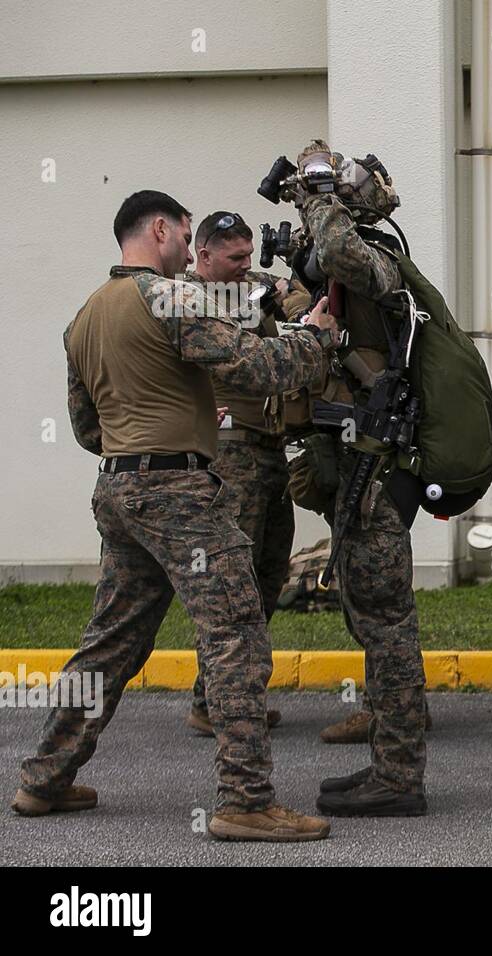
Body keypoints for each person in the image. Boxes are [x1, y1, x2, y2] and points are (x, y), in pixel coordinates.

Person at [13, 190, 337, 841]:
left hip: (119, 490)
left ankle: (44, 778)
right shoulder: (170, 298)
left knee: (111, 641)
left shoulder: (85, 317)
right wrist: (315, 338)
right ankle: (244, 801)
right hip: (180, 494)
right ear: (157, 229)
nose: (190, 251)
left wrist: (140, 436)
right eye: (185, 236)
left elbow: (86, 429)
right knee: (236, 629)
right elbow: (255, 367)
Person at [280, 141, 429, 817]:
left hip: (381, 466)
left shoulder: (379, 261)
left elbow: (338, 254)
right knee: (372, 617)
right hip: (360, 462)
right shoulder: (352, 266)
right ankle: (389, 767)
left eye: (334, 195)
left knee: (388, 623)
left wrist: (315, 195)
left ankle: (399, 778)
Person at [182, 210, 313, 738]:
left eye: (246, 256)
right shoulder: (183, 299)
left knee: (267, 573)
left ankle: (234, 695)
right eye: (231, 259)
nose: (243, 267)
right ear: (203, 255)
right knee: (229, 584)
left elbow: (296, 298)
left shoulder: (251, 285)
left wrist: (296, 295)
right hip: (226, 455)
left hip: (270, 449)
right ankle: (214, 702)